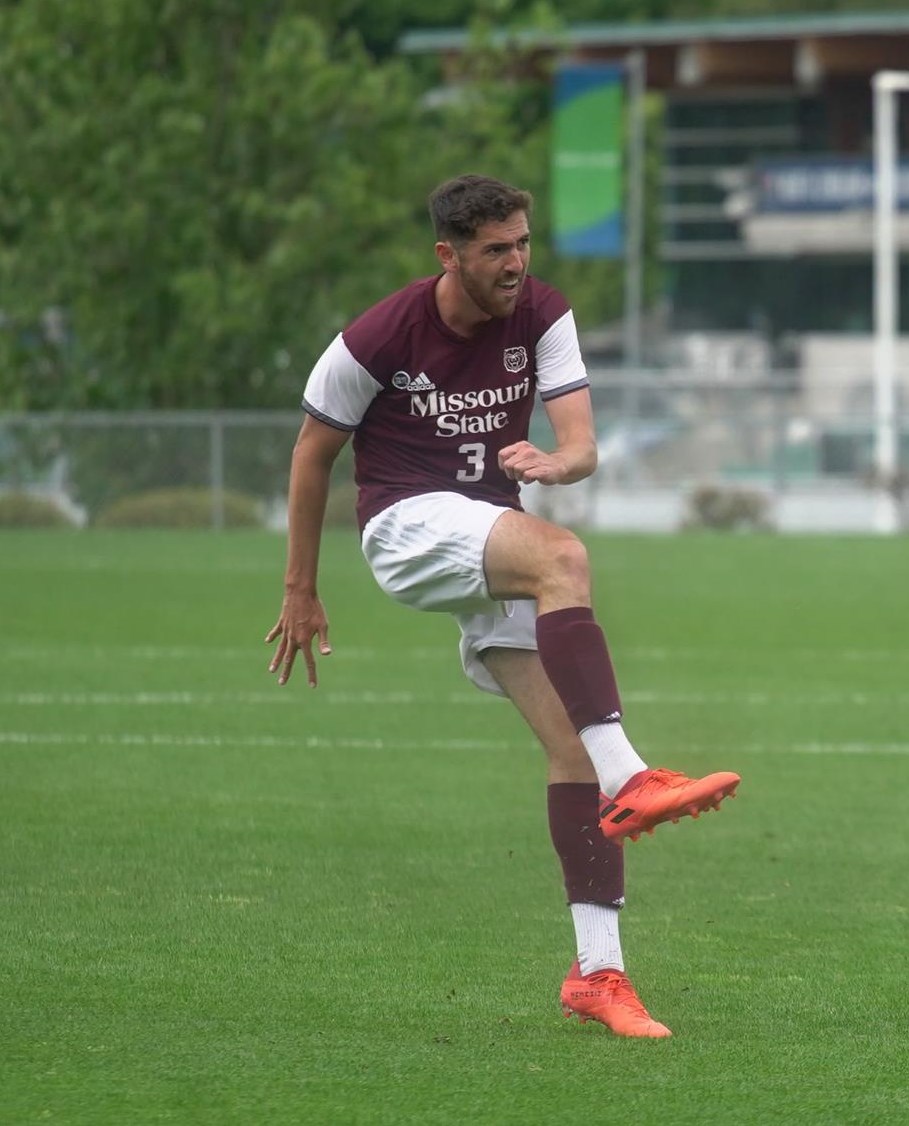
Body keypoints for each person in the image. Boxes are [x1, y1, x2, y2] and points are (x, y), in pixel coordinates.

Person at [264, 174, 741, 1039]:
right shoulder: (379, 335)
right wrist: (301, 588)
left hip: (488, 528)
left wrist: (564, 464)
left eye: (523, 243)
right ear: (449, 255)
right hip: (405, 525)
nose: (516, 262)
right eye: (496, 250)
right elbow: (311, 454)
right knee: (562, 555)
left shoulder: (543, 313)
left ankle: (598, 974)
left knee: (568, 750)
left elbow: (582, 443)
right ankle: (632, 774)